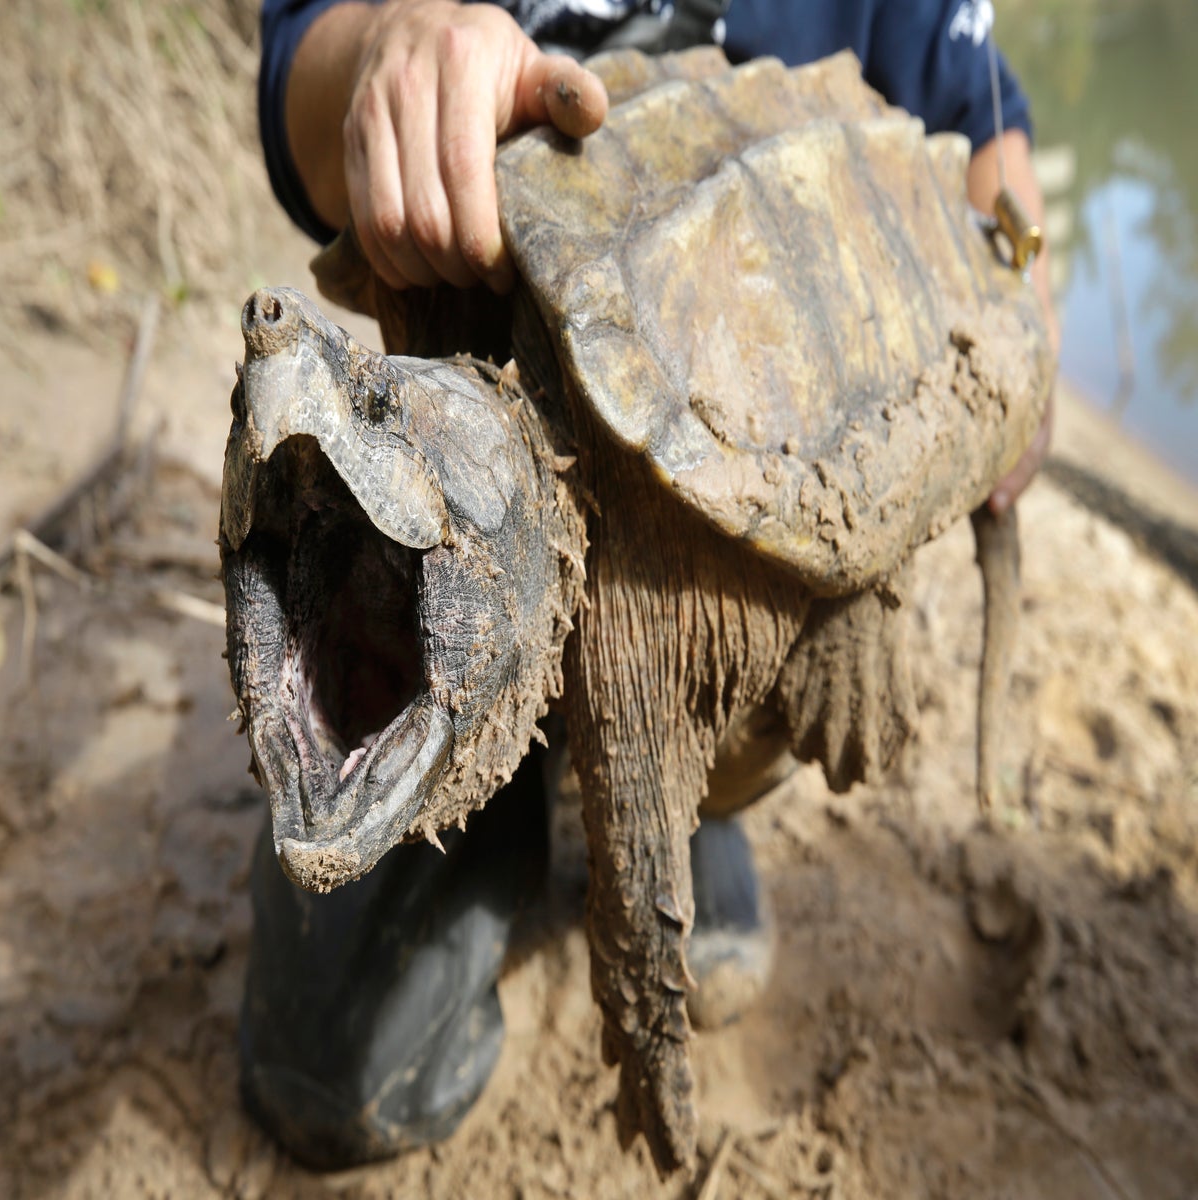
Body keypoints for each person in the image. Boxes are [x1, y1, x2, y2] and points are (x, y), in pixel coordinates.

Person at [244, 0, 1058, 1170]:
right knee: (330, 1072)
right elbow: (297, 72)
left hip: (743, 475)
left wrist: (1018, 303)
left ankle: (702, 777)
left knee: (685, 698)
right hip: (481, 281)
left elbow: (990, 152)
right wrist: (381, 50)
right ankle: (485, 745)